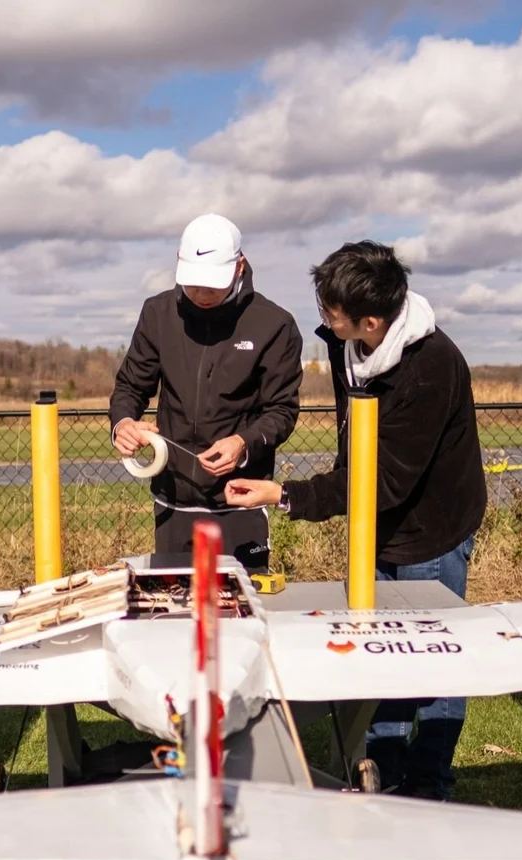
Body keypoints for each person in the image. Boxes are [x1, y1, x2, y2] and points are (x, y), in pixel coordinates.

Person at [225, 240, 487, 801]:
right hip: (377, 523)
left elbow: (384, 481)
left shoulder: (431, 369)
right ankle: (382, 772)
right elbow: (360, 464)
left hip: (431, 532)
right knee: (379, 651)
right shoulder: (351, 347)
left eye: (330, 310)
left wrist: (283, 493)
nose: (322, 314)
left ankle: (427, 783)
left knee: (434, 662)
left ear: (370, 320)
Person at [109, 214, 303, 572]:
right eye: (194, 283)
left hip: (240, 502)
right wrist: (123, 423)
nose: (202, 294)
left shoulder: (274, 325)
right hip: (173, 503)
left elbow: (282, 411)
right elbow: (130, 386)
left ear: (239, 266)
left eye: (212, 284)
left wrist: (243, 442)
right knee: (171, 613)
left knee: (240, 613)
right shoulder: (157, 313)